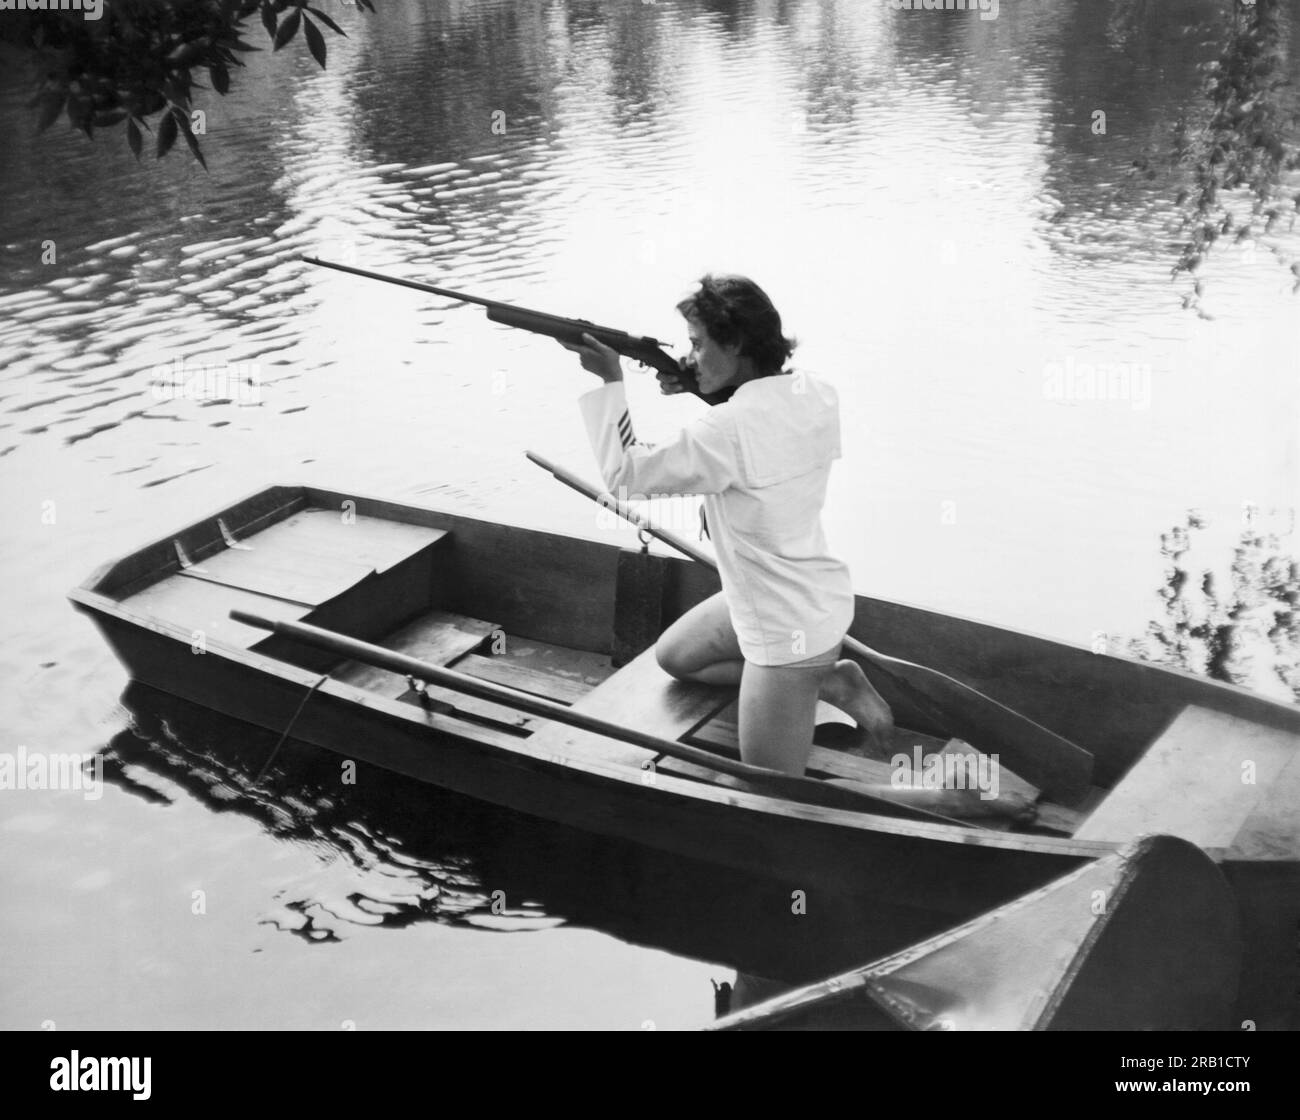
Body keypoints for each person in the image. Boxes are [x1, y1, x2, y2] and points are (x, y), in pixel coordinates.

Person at [561, 274, 895, 778]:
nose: (689, 357)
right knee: (675, 657)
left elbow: (627, 476)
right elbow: (760, 429)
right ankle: (830, 681)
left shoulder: (726, 429)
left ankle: (945, 797)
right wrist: (706, 387)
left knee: (771, 784)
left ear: (735, 343)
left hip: (785, 630)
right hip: (809, 593)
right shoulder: (815, 393)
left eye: (697, 344)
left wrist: (610, 380)